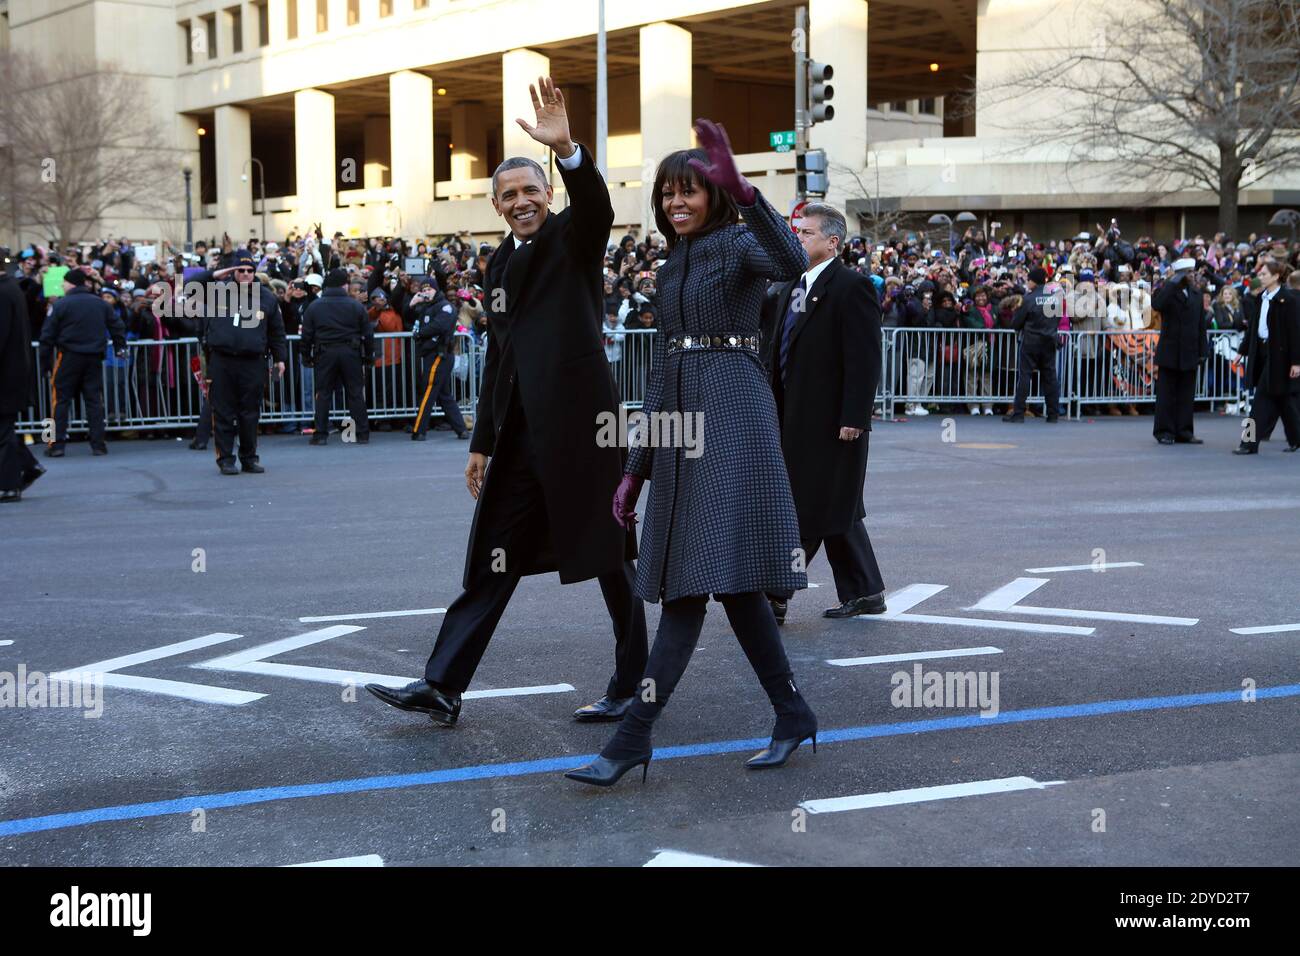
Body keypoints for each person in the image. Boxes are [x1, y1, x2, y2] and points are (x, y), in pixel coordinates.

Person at [365, 76, 648, 728]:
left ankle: (634, 683)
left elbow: (597, 206)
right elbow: (501, 359)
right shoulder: (495, 267)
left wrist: (569, 149)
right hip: (520, 440)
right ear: (495, 205)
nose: (521, 202)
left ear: (549, 197)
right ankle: (442, 684)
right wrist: (482, 442)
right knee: (493, 556)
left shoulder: (574, 241)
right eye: (509, 195)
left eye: (531, 192)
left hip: (584, 433)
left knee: (611, 559)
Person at [565, 118, 814, 789]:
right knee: (731, 588)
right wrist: (634, 469)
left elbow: (793, 263)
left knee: (688, 588)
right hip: (680, 414)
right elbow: (661, 368)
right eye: (668, 193)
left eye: (692, 192)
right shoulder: (672, 261)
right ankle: (792, 713)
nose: (677, 203)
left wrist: (749, 193)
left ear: (714, 196)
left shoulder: (739, 243)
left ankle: (631, 738)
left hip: (733, 411)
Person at [764, 202, 887, 624]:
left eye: (806, 233)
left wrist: (855, 415)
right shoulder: (791, 285)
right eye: (797, 231)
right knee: (839, 504)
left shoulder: (852, 286)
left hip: (835, 422)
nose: (797, 238)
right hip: (792, 416)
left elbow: (864, 358)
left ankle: (777, 592)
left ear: (832, 241)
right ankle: (865, 590)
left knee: (809, 506)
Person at [193, 250, 287, 474]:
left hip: (253, 361)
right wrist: (217, 273)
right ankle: (225, 459)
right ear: (233, 271)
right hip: (222, 360)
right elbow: (190, 285)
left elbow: (277, 332)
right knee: (223, 412)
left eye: (249, 270)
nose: (245, 274)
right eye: (240, 270)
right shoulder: (217, 291)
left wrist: (280, 359)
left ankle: (249, 458)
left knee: (250, 412)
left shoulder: (266, 297)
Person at [38, 268, 126, 457]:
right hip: (94, 356)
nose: (62, 285)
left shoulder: (61, 305)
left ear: (71, 283)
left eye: (64, 282)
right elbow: (117, 326)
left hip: (68, 356)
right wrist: (120, 347)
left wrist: (44, 362)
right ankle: (98, 444)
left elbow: (47, 335)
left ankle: (56, 444)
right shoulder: (100, 304)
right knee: (94, 401)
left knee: (59, 400)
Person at [300, 268, 373, 446]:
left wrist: (305, 355)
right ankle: (362, 433)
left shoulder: (315, 306)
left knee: (323, 394)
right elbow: (368, 333)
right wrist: (368, 355)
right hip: (351, 352)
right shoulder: (355, 305)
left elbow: (306, 334)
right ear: (344, 285)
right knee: (355, 393)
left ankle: (321, 434)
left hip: (324, 353)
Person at [1233, 260, 1300, 455]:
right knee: (1284, 400)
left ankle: (1248, 443)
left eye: (1263, 274)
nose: (1259, 277)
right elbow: (1254, 329)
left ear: (1276, 276)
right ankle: (1297, 438)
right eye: (1259, 274)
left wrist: (1297, 361)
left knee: (1260, 400)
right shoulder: (1260, 298)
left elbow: (1295, 332)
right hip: (1261, 353)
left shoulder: (1288, 299)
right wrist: (1241, 351)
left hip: (1279, 357)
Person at [1151, 257, 1209, 445]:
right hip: (1170, 351)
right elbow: (1157, 305)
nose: (1193, 275)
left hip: (1190, 351)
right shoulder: (1166, 292)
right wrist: (1171, 284)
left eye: (1193, 272)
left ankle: (1184, 431)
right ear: (1181, 275)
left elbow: (1201, 325)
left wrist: (1203, 350)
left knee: (1186, 394)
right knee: (1166, 395)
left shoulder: (1196, 294)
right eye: (1189, 273)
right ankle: (1164, 431)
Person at [0, 260, 44, 502]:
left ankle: (8, 485)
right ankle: (28, 465)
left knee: (3, 431)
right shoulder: (10, 288)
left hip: (6, 373)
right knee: (4, 428)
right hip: (13, 370)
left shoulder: (4, 291)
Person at [407, 276, 469, 441]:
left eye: (429, 289)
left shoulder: (445, 307)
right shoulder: (426, 307)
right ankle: (461, 429)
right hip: (431, 354)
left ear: (436, 290)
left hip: (439, 355)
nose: (426, 292)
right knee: (444, 395)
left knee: (428, 391)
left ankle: (419, 430)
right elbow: (411, 319)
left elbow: (438, 326)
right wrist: (412, 304)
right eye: (424, 290)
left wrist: (420, 333)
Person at [1002, 267, 1060, 424]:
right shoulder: (1055, 298)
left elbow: (1017, 322)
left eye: (1029, 280)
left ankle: (1019, 413)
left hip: (1031, 342)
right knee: (1050, 377)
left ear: (1034, 281)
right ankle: (1053, 414)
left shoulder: (1028, 298)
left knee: (1025, 376)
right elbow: (1057, 320)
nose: (1027, 283)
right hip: (1049, 341)